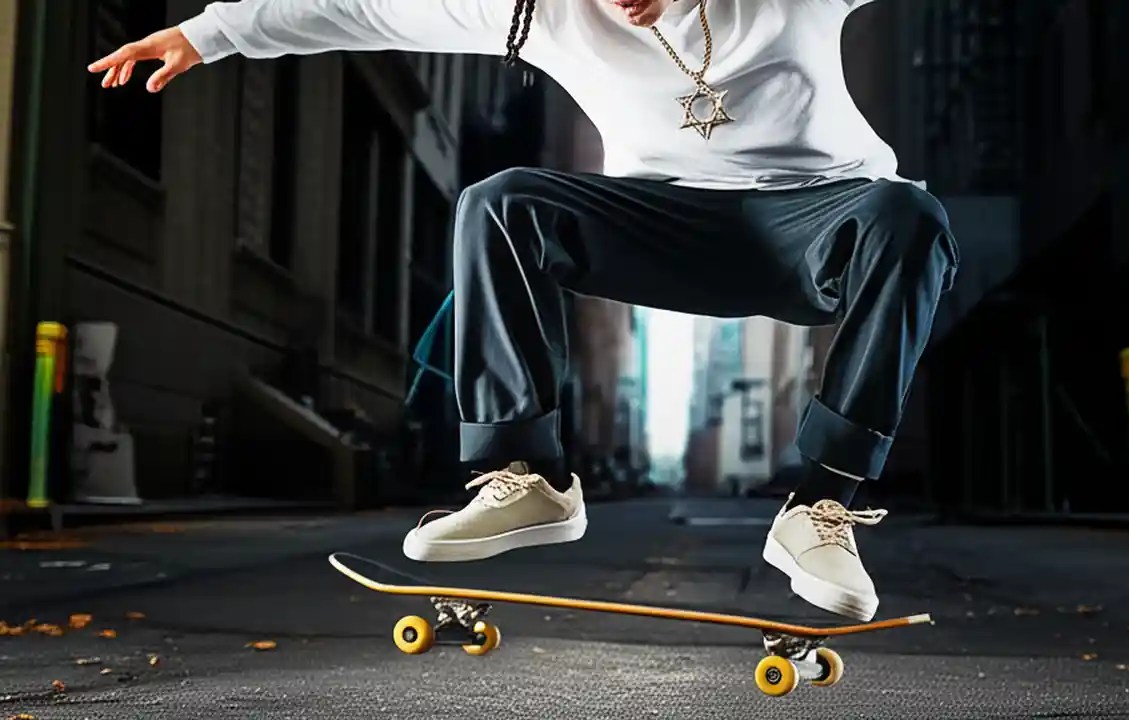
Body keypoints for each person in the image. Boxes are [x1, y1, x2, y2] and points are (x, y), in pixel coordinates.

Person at [88, 0, 958, 622]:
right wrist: (209, 33)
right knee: (501, 200)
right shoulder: (538, 11)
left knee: (909, 216)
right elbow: (362, 10)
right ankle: (528, 477)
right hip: (660, 224)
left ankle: (820, 507)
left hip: (820, 222)